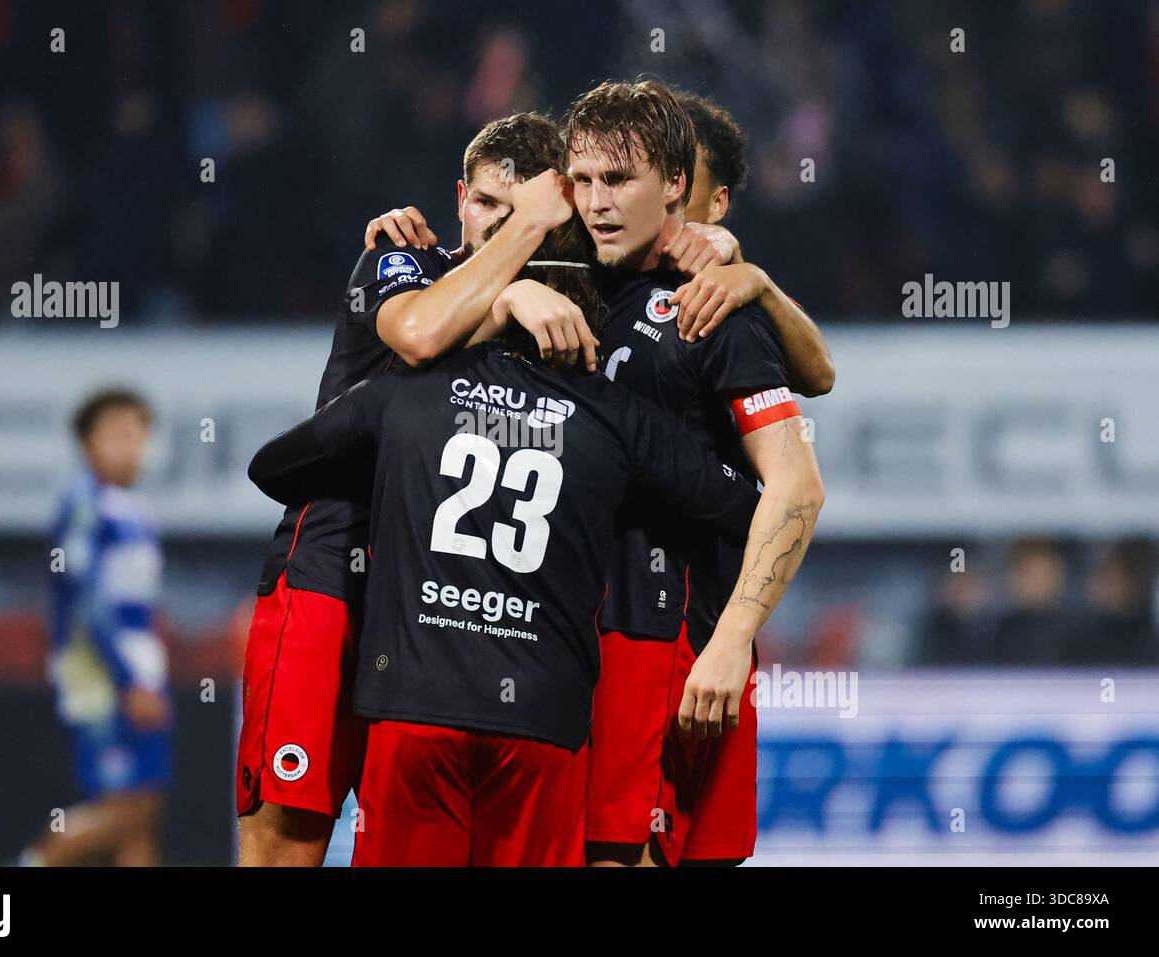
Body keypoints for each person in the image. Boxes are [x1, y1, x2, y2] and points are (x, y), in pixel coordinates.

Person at [247, 223, 762, 866]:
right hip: (542, 723)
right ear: (587, 318)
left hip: (413, 707)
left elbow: (272, 468)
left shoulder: (403, 393)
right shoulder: (616, 417)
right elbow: (744, 506)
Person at [236, 113, 587, 866]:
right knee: (289, 837)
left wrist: (721, 252)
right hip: (333, 576)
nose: (499, 224)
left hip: (440, 620)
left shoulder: (563, 304)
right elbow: (423, 334)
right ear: (459, 197)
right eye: (489, 203)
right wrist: (510, 291)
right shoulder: (400, 260)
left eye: (522, 208)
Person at [565, 80, 827, 867]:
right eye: (583, 181)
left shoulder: (711, 306)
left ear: (681, 190)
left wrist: (732, 643)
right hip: (571, 642)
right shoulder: (560, 284)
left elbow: (798, 483)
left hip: (670, 642)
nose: (596, 202)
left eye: (619, 181)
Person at [23, 388, 170, 867]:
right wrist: (127, 681)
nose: (133, 446)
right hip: (102, 675)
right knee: (120, 810)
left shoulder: (132, 509)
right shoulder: (85, 506)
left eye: (139, 434)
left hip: (136, 670)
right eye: (120, 434)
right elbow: (88, 603)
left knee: (141, 810)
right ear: (89, 442)